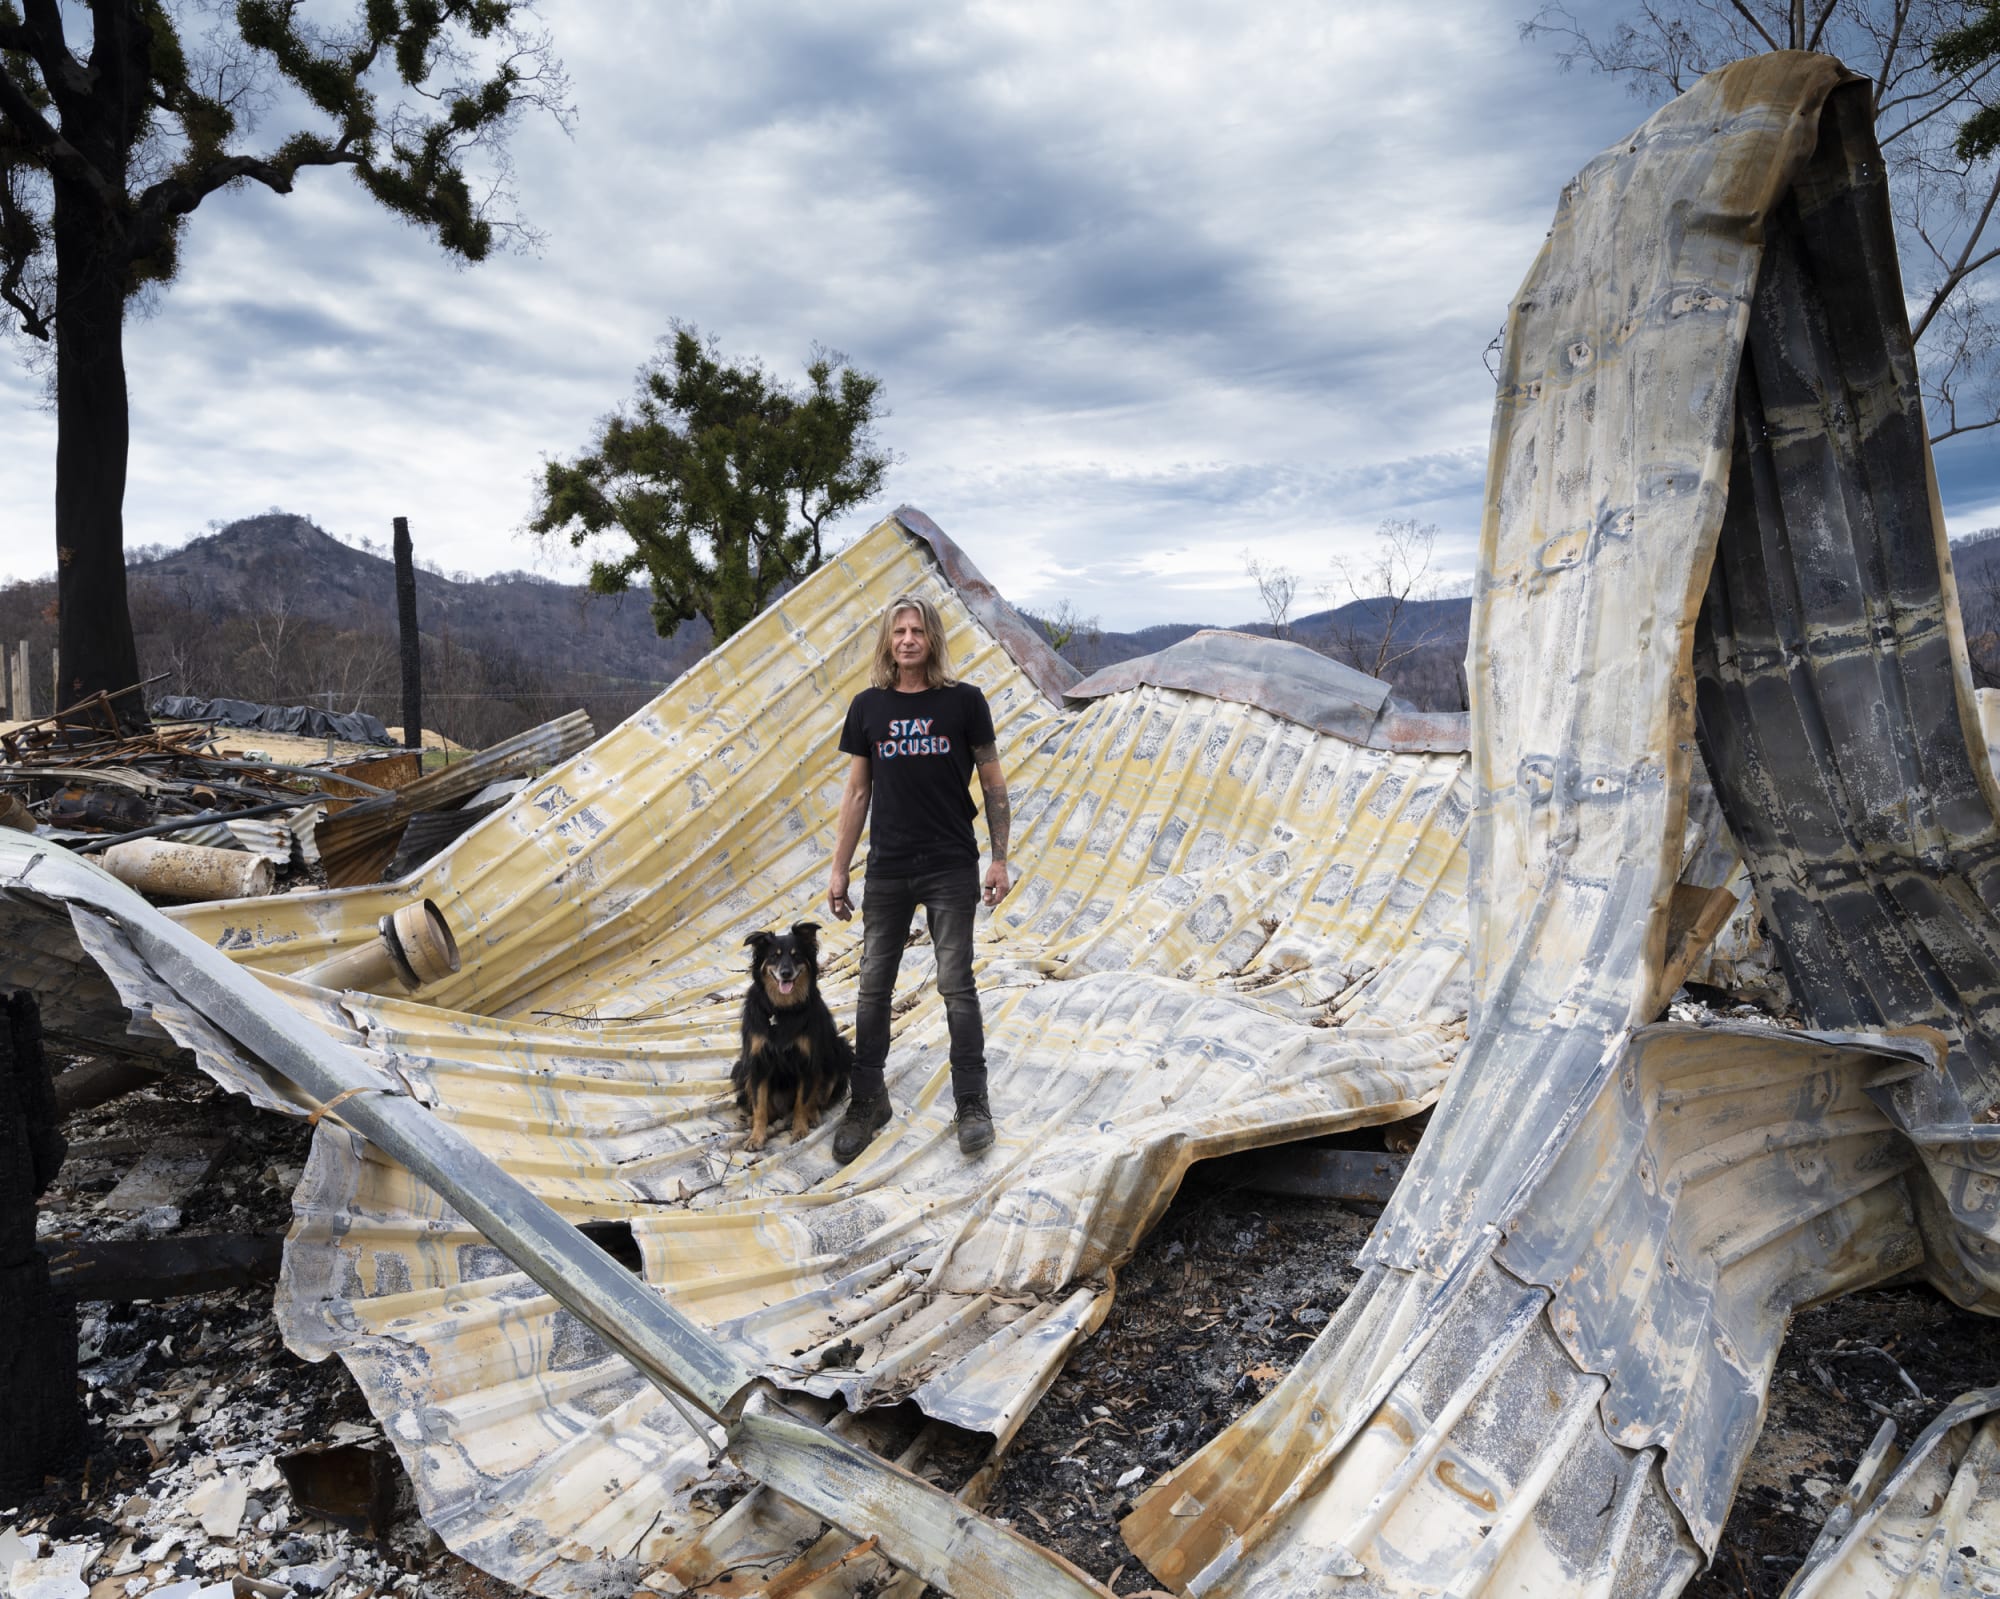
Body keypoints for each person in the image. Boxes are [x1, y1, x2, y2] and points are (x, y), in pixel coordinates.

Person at [827, 593, 1011, 1161]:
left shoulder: (965, 702)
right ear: (888, 641)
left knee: (956, 987)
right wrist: (839, 870)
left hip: (951, 864)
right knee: (872, 986)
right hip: (888, 869)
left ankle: (972, 1103)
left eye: (918, 631)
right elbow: (858, 793)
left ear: (932, 638)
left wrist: (998, 858)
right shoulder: (867, 707)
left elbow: (994, 785)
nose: (908, 639)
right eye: (898, 631)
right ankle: (868, 1100)